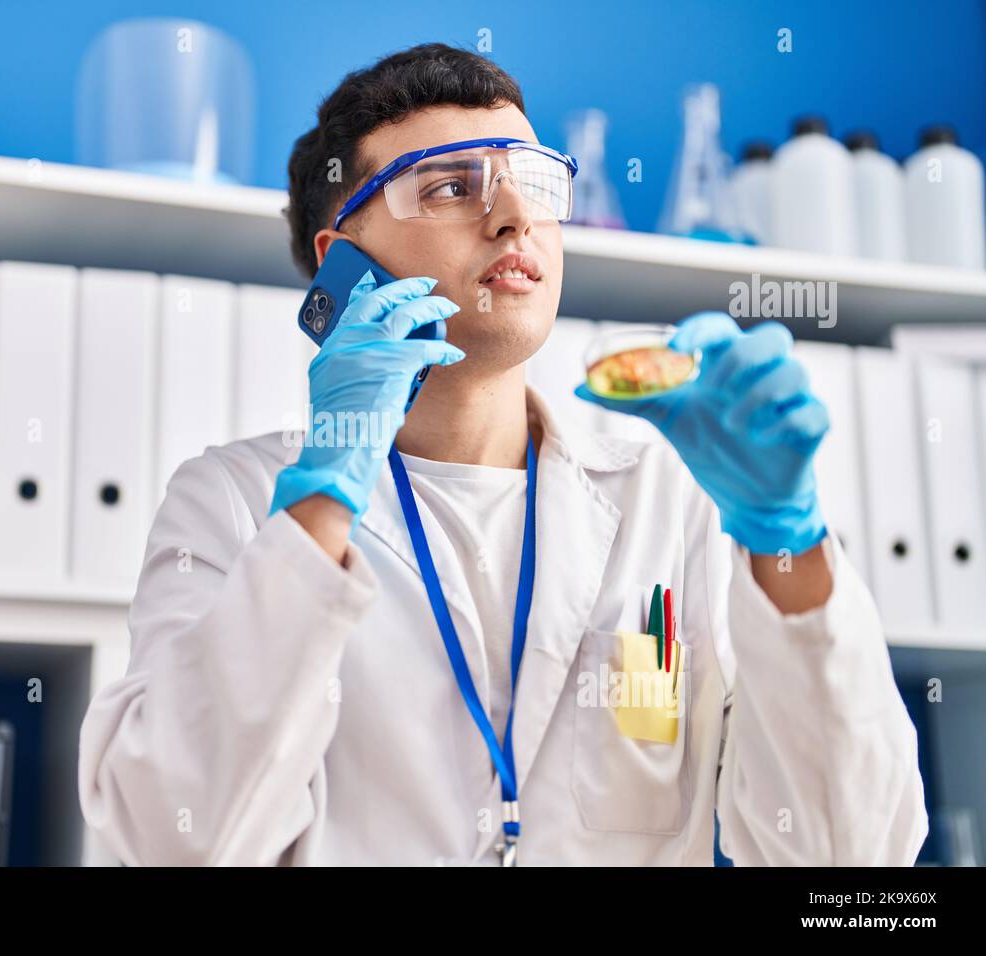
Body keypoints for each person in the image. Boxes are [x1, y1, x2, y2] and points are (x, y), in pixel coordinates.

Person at [78, 42, 927, 865]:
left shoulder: (673, 505)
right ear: (344, 268)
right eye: (451, 185)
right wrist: (329, 492)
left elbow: (849, 855)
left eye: (533, 184)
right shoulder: (230, 500)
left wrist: (788, 539)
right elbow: (175, 839)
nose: (516, 215)